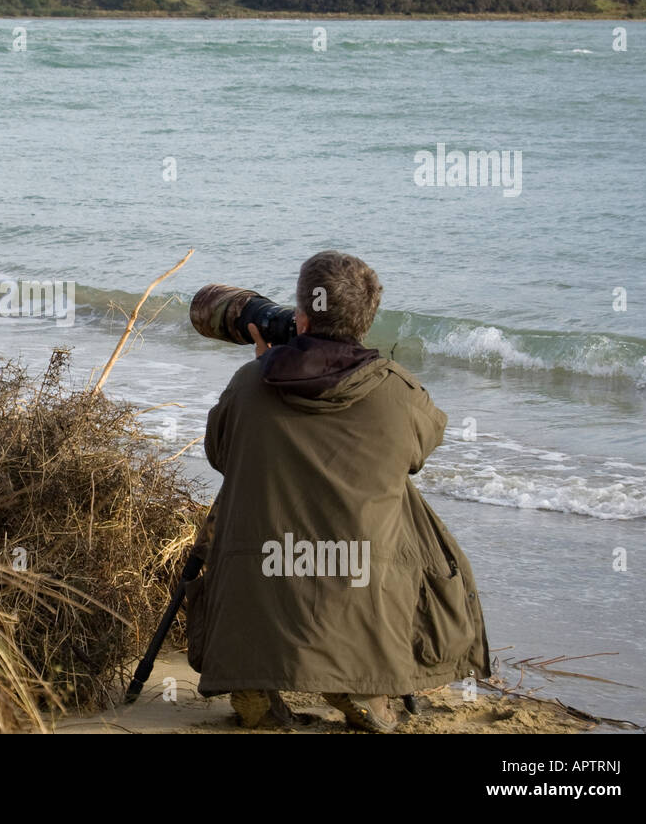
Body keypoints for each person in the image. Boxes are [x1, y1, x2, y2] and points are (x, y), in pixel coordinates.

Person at [189, 250, 490, 732]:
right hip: (360, 581)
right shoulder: (400, 393)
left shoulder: (248, 385)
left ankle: (252, 675)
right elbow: (419, 454)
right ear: (366, 321)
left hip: (266, 568)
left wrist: (269, 367)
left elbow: (221, 455)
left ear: (302, 316)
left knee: (252, 497)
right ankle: (360, 684)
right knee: (403, 508)